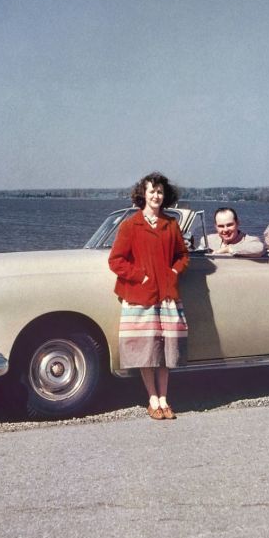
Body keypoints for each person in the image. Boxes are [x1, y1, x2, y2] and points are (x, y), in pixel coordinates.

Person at [108, 172, 189, 420]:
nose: (156, 195)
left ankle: (165, 399)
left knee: (165, 349)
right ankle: (152, 399)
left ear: (165, 196)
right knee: (147, 349)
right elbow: (116, 260)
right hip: (140, 296)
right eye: (152, 191)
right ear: (143, 194)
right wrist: (139, 276)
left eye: (160, 192)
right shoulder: (130, 225)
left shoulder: (171, 225)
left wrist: (174, 271)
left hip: (166, 295)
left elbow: (182, 256)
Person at [198, 207, 265, 257]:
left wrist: (228, 249)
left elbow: (259, 248)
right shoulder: (208, 240)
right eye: (221, 226)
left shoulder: (250, 240)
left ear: (237, 223)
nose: (225, 230)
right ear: (216, 226)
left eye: (229, 225)